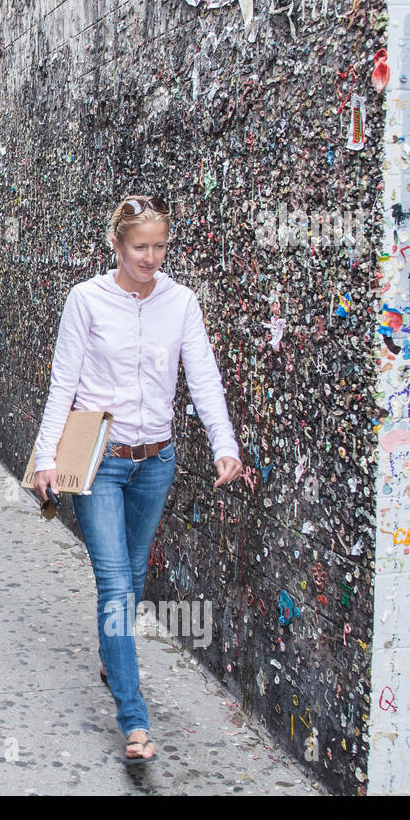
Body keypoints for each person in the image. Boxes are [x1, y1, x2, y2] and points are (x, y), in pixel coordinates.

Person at [31, 194, 243, 764]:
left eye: (160, 246)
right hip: (100, 461)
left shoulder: (181, 302)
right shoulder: (87, 300)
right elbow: (63, 383)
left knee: (133, 573)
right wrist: (45, 458)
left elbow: (203, 376)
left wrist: (225, 445)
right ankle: (134, 717)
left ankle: (111, 649)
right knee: (116, 585)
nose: (152, 257)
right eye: (140, 247)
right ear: (117, 246)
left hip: (157, 461)